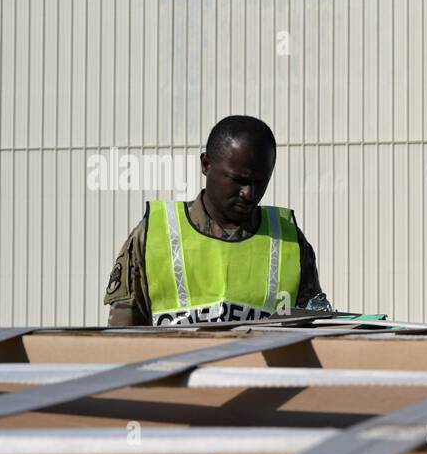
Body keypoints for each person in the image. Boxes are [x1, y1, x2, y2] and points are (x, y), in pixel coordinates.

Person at [104, 115, 333, 326]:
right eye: (238, 180)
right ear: (206, 164)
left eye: (260, 181)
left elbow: (308, 329)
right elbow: (122, 333)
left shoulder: (288, 239)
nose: (249, 194)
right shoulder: (154, 234)